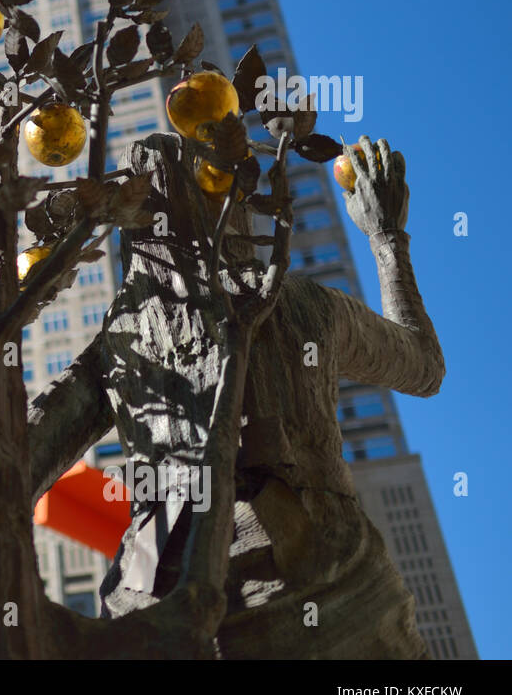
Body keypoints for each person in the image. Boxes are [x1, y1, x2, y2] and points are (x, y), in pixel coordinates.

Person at [29, 131, 440, 658]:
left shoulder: (122, 340)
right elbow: (424, 367)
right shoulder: (296, 305)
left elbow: (6, 470)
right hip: (313, 592)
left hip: (183, 607)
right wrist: (386, 239)